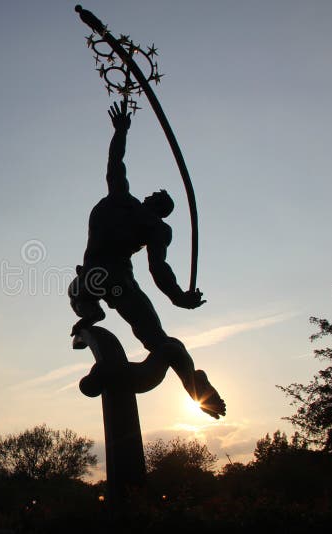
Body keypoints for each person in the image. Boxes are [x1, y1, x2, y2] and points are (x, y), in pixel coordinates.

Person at [69, 100, 226, 419]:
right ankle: (193, 382)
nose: (155, 195)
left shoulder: (141, 216)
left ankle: (195, 385)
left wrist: (179, 296)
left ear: (156, 205)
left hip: (107, 278)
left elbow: (159, 268)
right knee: (161, 342)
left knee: (88, 291)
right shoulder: (125, 203)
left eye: (159, 197)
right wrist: (121, 132)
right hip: (112, 281)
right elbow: (116, 162)